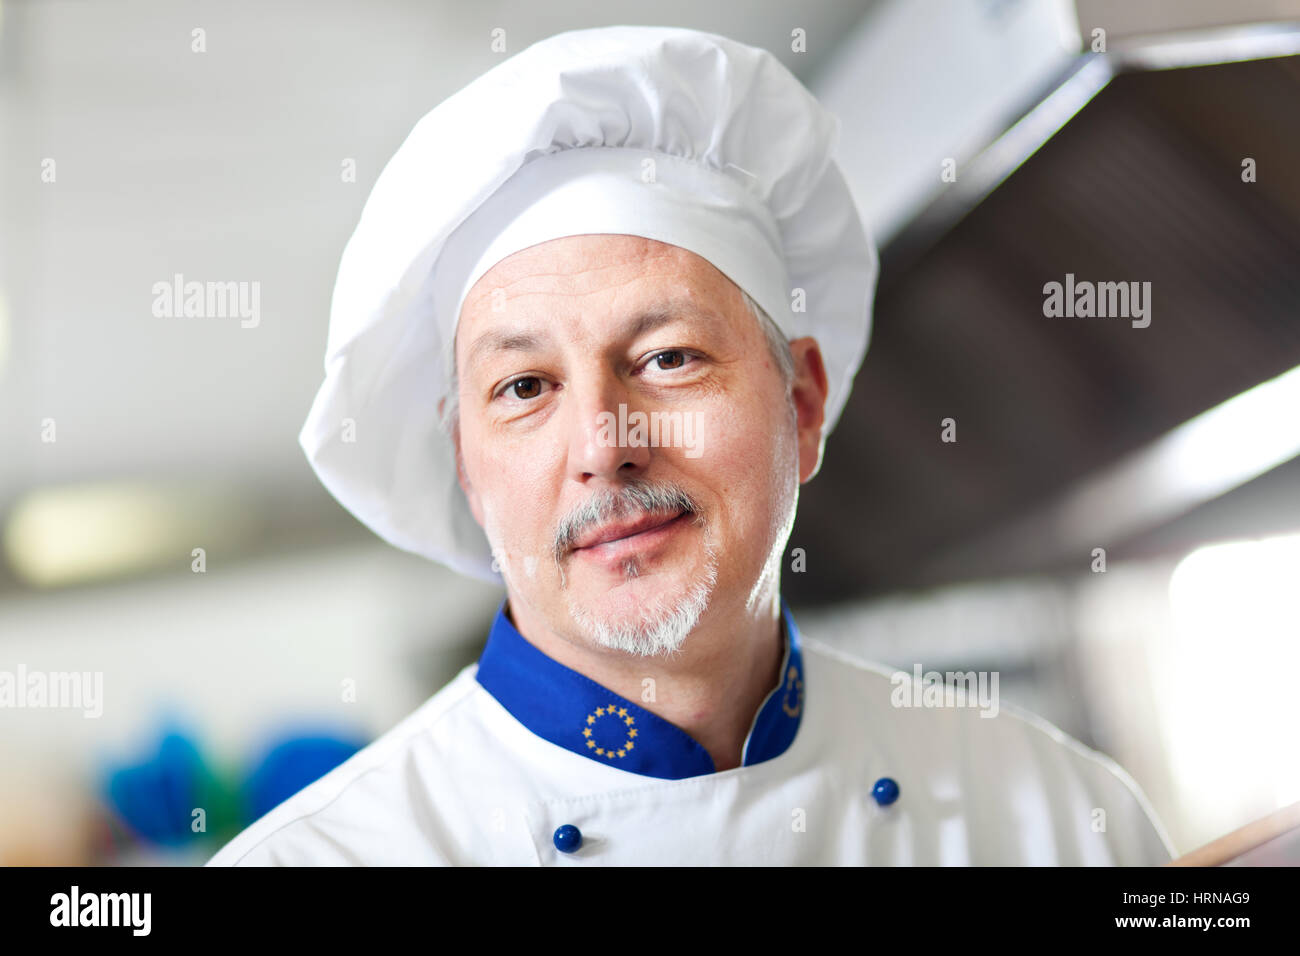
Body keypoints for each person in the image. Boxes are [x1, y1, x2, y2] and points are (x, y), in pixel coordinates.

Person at [207, 25, 1174, 866]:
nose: (603, 444)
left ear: (800, 402)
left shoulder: (1060, 817)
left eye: (667, 358)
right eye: (525, 387)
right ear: (468, 463)